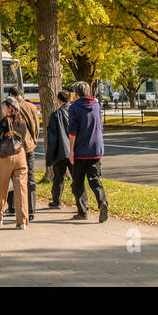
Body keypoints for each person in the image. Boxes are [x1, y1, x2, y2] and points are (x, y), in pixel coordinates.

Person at [67, 80, 109, 223]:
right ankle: (102, 202)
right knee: (95, 180)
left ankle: (82, 211)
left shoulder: (74, 107)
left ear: (76, 93)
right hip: (96, 149)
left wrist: (71, 151)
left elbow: (72, 132)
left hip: (80, 150)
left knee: (78, 183)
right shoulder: (96, 105)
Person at [0, 97, 30, 229]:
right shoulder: (23, 121)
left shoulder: (4, 121)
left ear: (10, 108)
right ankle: (22, 220)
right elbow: (23, 138)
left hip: (6, 157)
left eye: (4, 107)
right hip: (21, 156)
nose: (2, 109)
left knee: (2, 187)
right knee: (21, 189)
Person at [4, 85, 39, 217]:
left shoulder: (11, 108)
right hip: (29, 145)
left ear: (11, 95)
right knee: (30, 177)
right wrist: (34, 140)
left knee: (13, 175)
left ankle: (12, 207)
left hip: (15, 147)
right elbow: (36, 125)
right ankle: (31, 209)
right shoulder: (31, 107)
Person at [46, 89, 73, 209]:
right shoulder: (75, 113)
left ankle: (56, 201)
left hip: (61, 151)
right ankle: (82, 203)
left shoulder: (56, 115)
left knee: (58, 177)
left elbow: (52, 138)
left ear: (59, 101)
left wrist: (50, 155)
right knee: (77, 178)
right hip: (75, 150)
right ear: (70, 100)